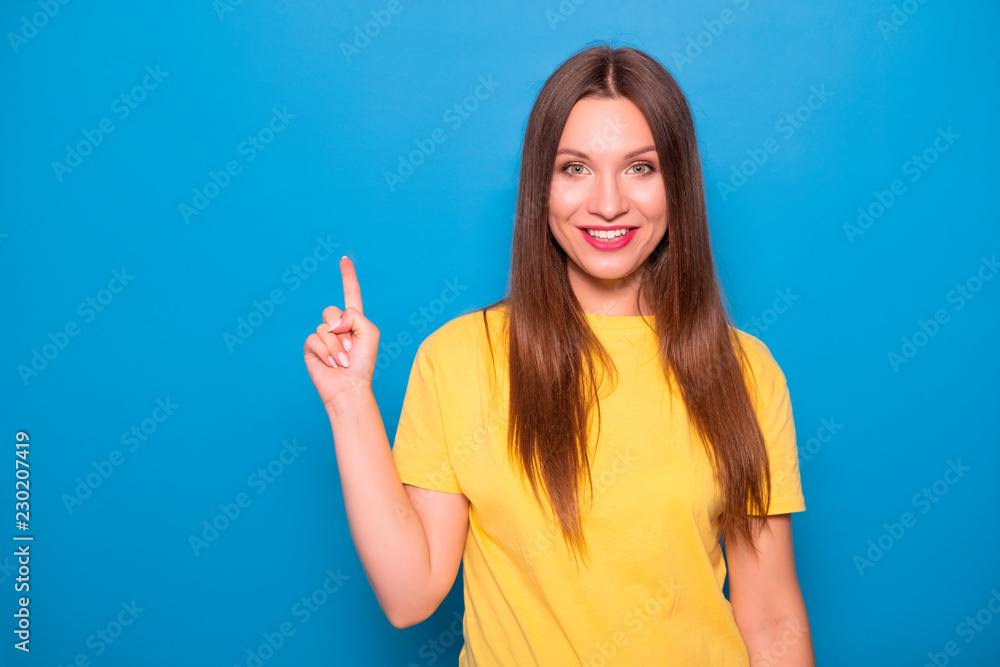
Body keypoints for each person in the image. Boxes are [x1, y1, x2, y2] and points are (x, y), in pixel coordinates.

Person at [303, 42, 815, 666]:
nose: (606, 203)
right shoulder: (461, 358)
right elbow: (410, 595)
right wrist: (351, 402)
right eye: (575, 167)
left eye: (640, 168)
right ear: (539, 184)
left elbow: (770, 617)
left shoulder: (744, 371)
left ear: (677, 184)